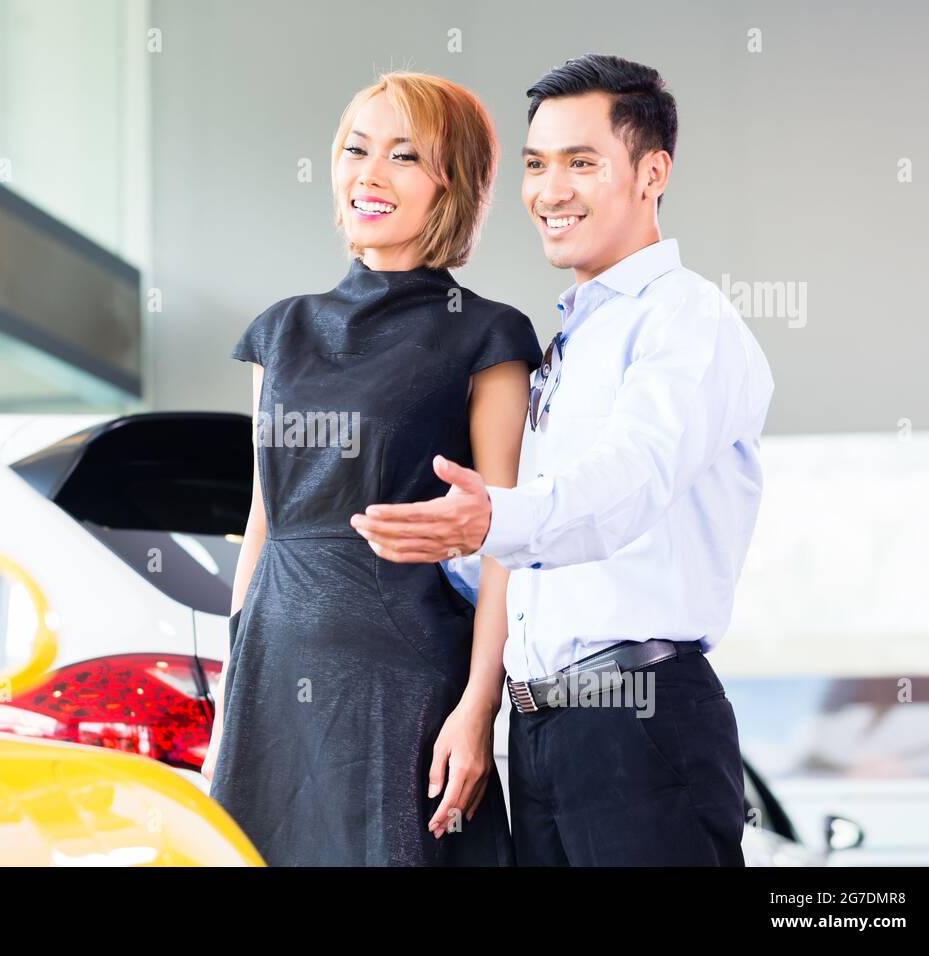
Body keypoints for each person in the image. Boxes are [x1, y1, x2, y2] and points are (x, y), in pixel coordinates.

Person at [350, 54, 775, 866]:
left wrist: (491, 518)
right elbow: (517, 561)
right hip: (541, 732)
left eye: (582, 163)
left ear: (652, 172)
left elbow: (628, 481)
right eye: (538, 164)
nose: (550, 190)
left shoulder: (683, 319)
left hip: (638, 724)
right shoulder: (571, 341)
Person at [202, 71, 541, 866]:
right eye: (355, 149)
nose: (369, 174)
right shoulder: (279, 331)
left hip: (403, 672)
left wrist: (477, 709)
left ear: (451, 182)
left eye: (403, 156)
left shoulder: (489, 337)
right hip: (273, 668)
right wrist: (230, 688)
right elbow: (263, 521)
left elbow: (505, 545)